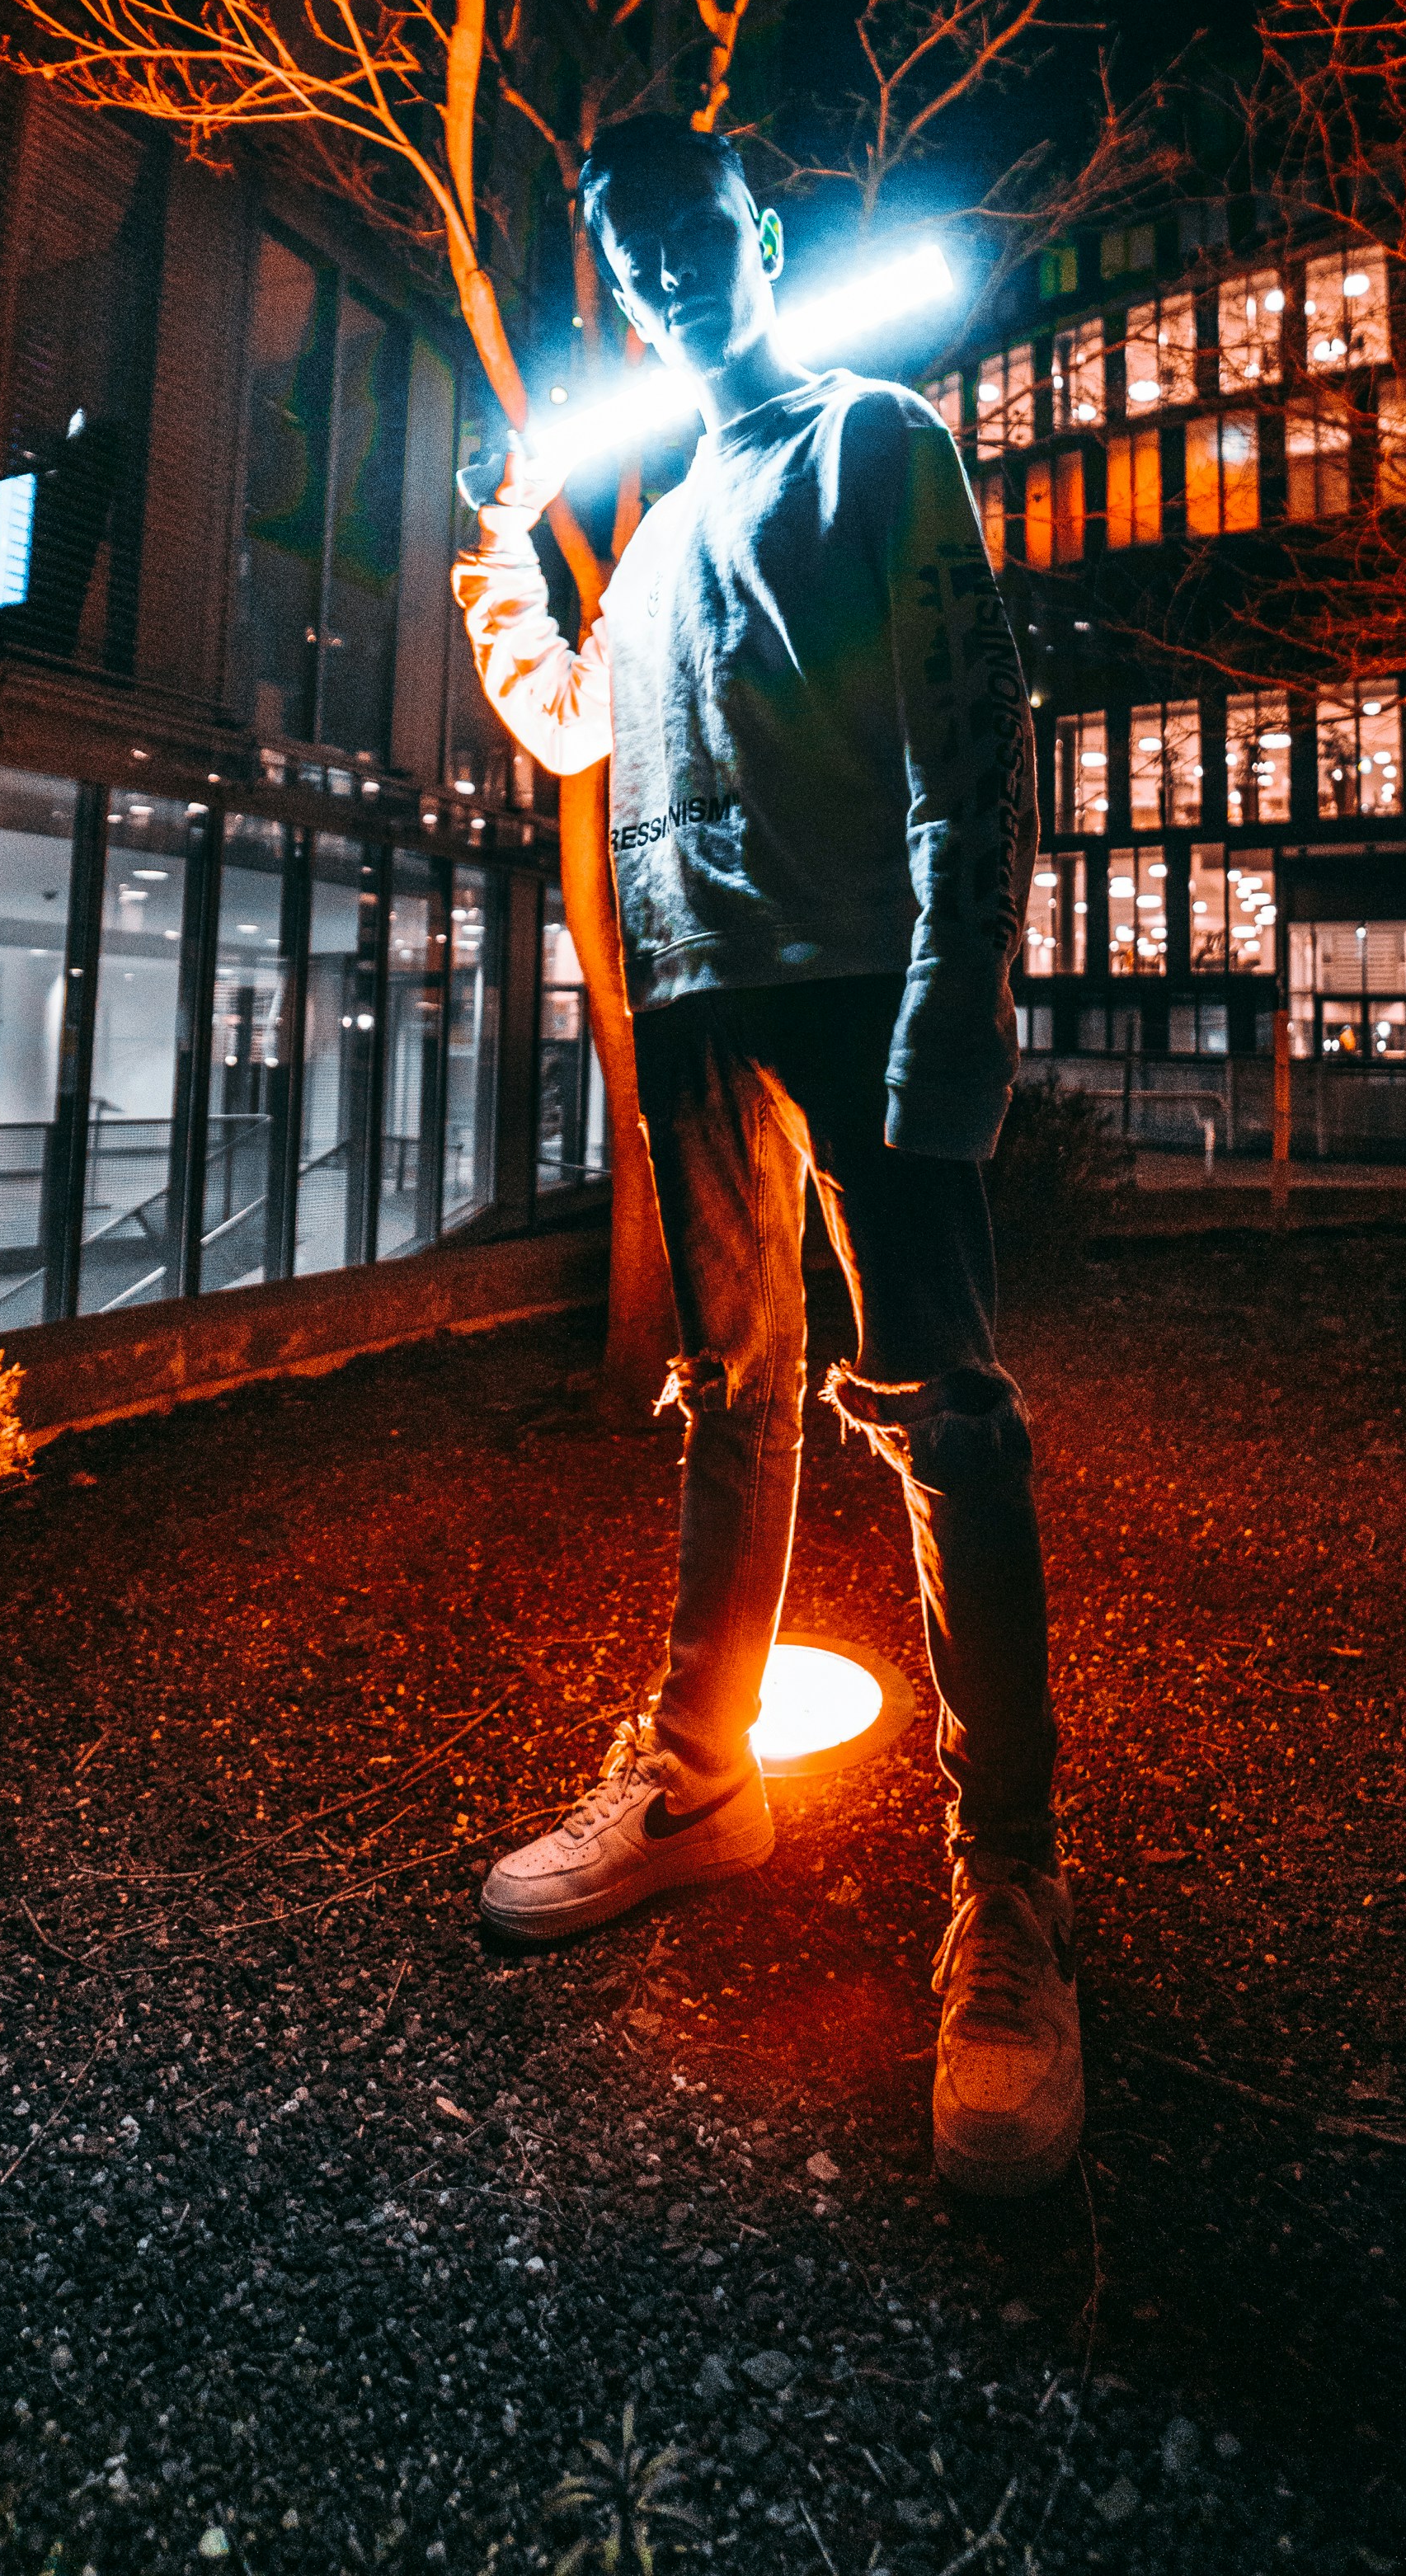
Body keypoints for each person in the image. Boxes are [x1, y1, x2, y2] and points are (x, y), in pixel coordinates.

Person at [450, 115, 1079, 2197]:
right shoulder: (649, 532)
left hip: (856, 983)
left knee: (945, 1414)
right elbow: (568, 724)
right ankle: (706, 1781)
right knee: (731, 1386)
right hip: (703, 1008)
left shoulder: (874, 441)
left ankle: (1008, 1900)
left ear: (758, 238)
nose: (665, 275)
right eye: (630, 255)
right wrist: (490, 562)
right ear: (620, 283)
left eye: (692, 236)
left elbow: (972, 723)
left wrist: (947, 1008)